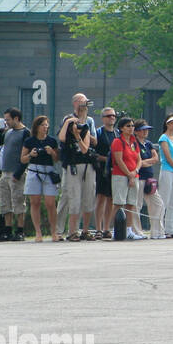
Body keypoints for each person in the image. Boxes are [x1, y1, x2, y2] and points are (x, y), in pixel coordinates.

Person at [57, 94, 98, 241]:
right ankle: (68, 231)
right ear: (75, 103)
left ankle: (85, 230)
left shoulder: (88, 123)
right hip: (72, 163)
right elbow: (61, 138)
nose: (84, 106)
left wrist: (79, 132)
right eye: (81, 103)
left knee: (88, 198)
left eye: (86, 104)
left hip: (87, 164)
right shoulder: (68, 119)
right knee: (71, 198)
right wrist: (69, 123)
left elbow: (90, 145)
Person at [21, 116, 62, 242]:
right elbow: (22, 159)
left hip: (48, 171)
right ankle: (38, 232)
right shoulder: (29, 141)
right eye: (43, 125)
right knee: (35, 202)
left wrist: (52, 153)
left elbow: (56, 159)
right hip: (34, 171)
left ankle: (54, 231)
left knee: (50, 202)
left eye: (46, 125)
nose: (45, 127)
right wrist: (30, 155)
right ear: (37, 127)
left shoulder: (52, 141)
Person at [0, 108, 28, 241]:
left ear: (16, 118)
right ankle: (7, 230)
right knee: (5, 201)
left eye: (8, 119)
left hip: (16, 172)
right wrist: (0, 131)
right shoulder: (7, 132)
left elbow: (26, 155)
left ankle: (20, 230)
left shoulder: (25, 132)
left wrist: (19, 173)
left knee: (19, 201)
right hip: (5, 171)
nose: (6, 122)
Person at [108, 117, 145, 240]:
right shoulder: (118, 141)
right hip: (120, 175)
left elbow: (139, 159)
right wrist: (129, 174)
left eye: (132, 126)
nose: (131, 128)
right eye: (128, 126)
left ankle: (128, 230)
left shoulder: (134, 142)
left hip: (134, 176)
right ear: (121, 128)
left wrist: (135, 171)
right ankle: (113, 229)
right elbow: (119, 160)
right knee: (118, 203)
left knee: (131, 204)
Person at [133, 121, 164, 239]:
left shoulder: (148, 143)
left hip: (149, 179)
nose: (145, 131)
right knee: (137, 204)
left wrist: (143, 163)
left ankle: (157, 232)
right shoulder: (134, 144)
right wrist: (142, 163)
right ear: (136, 131)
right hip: (139, 178)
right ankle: (137, 231)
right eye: (142, 129)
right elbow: (138, 162)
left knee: (158, 204)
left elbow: (155, 158)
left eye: (146, 129)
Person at [92, 106, 118, 238]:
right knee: (101, 198)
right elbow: (93, 153)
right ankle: (98, 228)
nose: (112, 117)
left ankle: (107, 228)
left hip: (116, 170)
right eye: (108, 116)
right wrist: (107, 159)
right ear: (103, 118)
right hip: (102, 170)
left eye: (113, 115)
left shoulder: (118, 133)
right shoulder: (98, 133)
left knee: (111, 199)